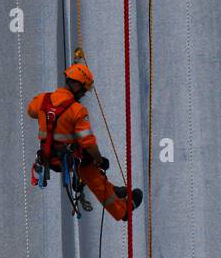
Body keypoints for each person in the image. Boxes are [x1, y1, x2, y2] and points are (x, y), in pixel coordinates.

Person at [27, 62, 142, 221]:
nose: (83, 94)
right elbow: (88, 142)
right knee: (91, 168)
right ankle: (121, 211)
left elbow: (31, 112)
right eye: (83, 90)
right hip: (67, 161)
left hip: (47, 158)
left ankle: (113, 190)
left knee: (88, 161)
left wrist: (48, 118)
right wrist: (99, 159)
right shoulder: (77, 110)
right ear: (76, 85)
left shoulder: (42, 99)